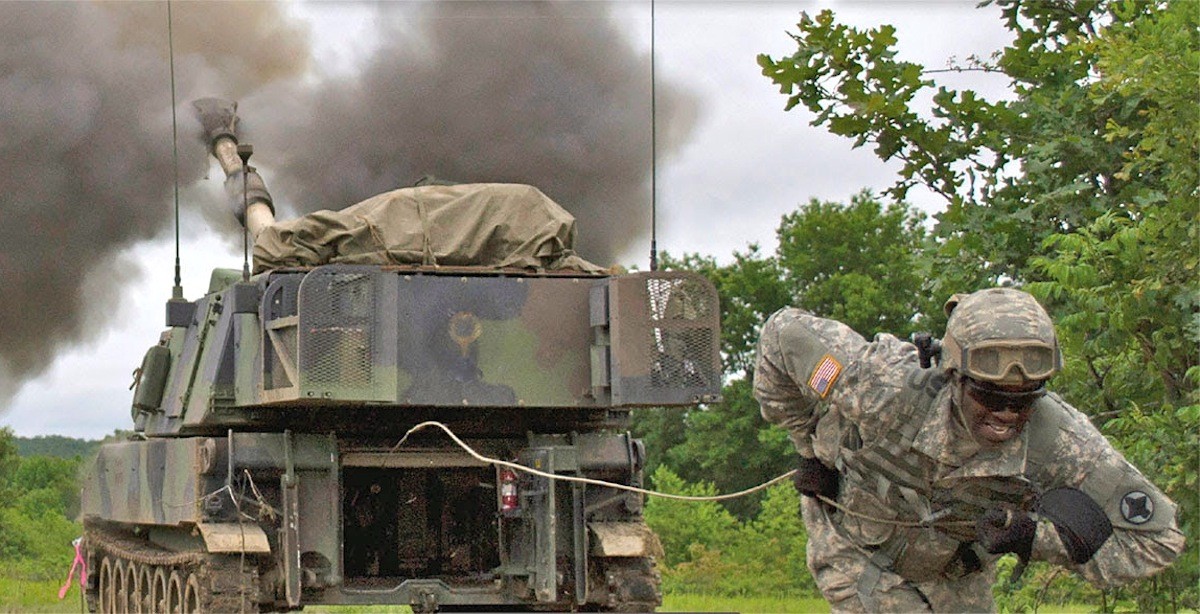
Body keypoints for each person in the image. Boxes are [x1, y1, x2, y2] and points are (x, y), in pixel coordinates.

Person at [753, 287, 1185, 612]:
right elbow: (780, 334)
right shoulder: (883, 385)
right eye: (990, 397)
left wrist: (1036, 539)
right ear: (954, 376)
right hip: (855, 551)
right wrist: (806, 447)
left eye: (1024, 400)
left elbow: (1159, 541)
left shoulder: (1060, 444)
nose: (1006, 415)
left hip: (957, 580)